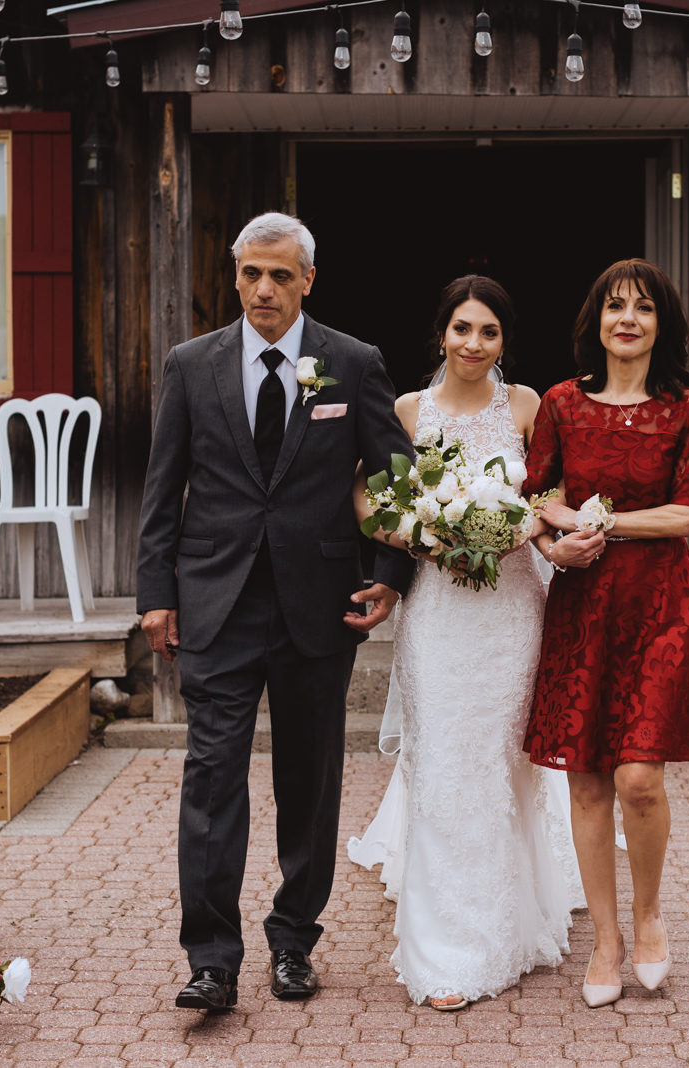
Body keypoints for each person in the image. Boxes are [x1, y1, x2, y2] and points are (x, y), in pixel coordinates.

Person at [136, 212, 414, 1014]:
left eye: (280, 276)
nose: (264, 289)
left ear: (308, 281)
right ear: (234, 275)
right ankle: (212, 960)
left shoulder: (352, 364)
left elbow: (399, 480)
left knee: (310, 782)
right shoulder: (192, 366)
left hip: (317, 607)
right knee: (213, 779)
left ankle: (294, 941)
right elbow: (163, 489)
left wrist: (391, 573)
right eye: (251, 273)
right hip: (214, 605)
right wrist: (155, 594)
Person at [346, 276, 582, 1011]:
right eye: (461, 328)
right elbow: (367, 494)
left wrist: (533, 529)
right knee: (447, 769)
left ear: (504, 341)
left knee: (507, 765)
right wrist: (418, 534)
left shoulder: (527, 406)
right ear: (440, 334)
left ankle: (512, 921)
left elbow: (547, 495)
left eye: (488, 331)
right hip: (440, 617)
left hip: (514, 611)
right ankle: (446, 948)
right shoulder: (408, 411)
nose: (473, 343)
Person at [524, 258, 689, 1008]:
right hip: (583, 607)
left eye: (641, 308)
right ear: (595, 322)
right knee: (589, 778)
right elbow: (540, 495)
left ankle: (650, 916)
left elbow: (686, 513)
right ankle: (604, 939)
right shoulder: (562, 404)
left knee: (641, 776)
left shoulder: (686, 407)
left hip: (660, 606)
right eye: (614, 307)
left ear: (660, 323)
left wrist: (599, 519)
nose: (626, 319)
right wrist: (550, 541)